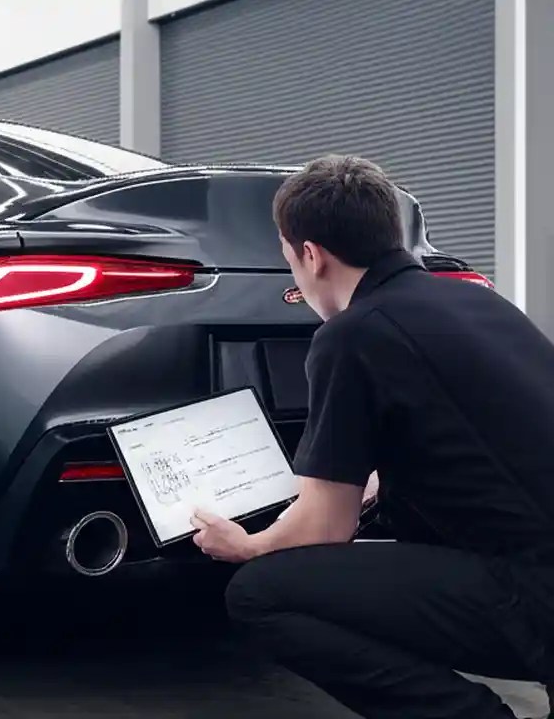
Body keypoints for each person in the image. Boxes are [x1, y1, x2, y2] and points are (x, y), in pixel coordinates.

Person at [190, 154, 554, 719]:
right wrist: (380, 480)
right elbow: (485, 439)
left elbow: (324, 529)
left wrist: (246, 545)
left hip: (537, 596)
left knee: (260, 593)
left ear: (310, 255)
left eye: (288, 259)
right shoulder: (478, 300)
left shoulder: (352, 335)